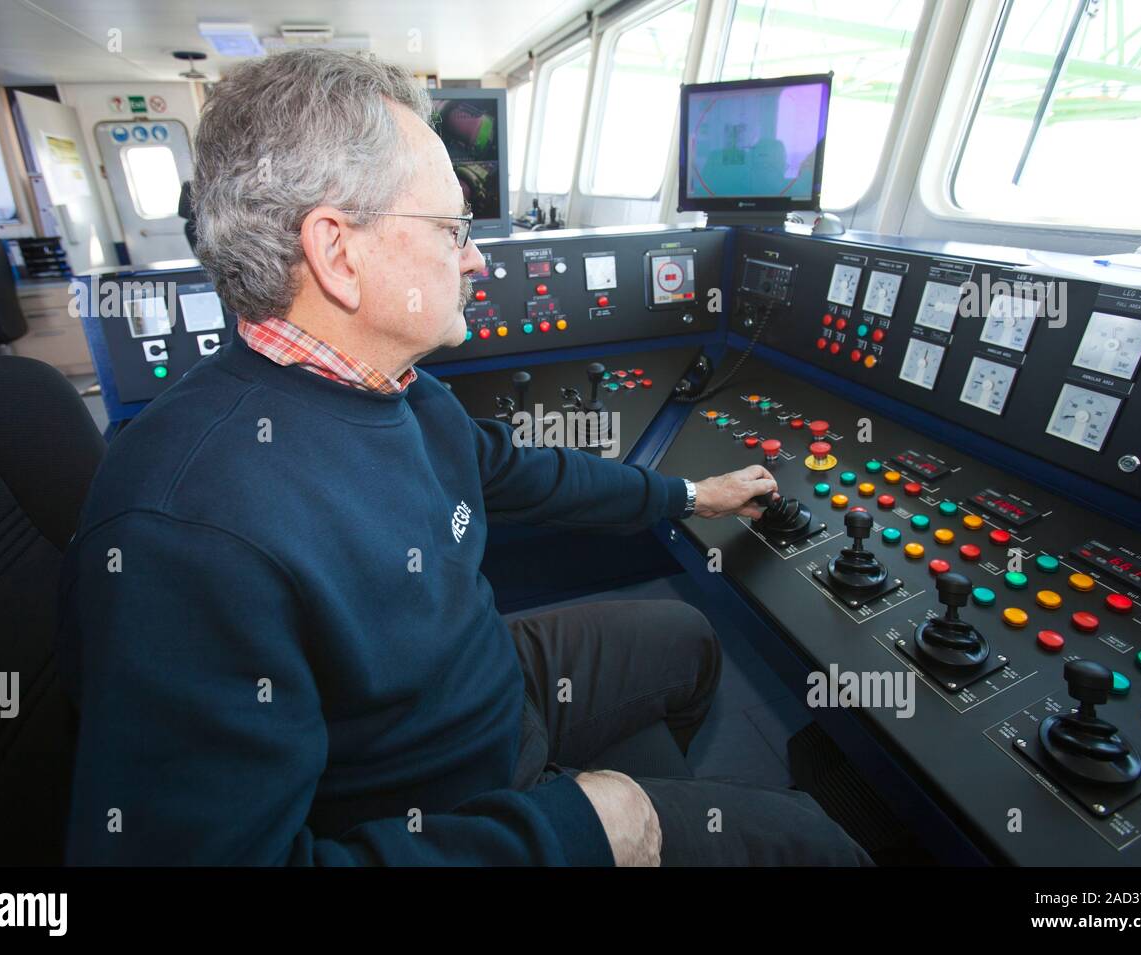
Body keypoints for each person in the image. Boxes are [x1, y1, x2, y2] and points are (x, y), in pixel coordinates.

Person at [57, 48, 869, 867]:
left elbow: (519, 473)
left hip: (480, 685)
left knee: (687, 640)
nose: (478, 259)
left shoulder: (396, 389)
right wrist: (573, 833)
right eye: (453, 230)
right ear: (339, 254)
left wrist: (688, 494)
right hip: (416, 791)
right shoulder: (186, 530)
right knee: (823, 848)